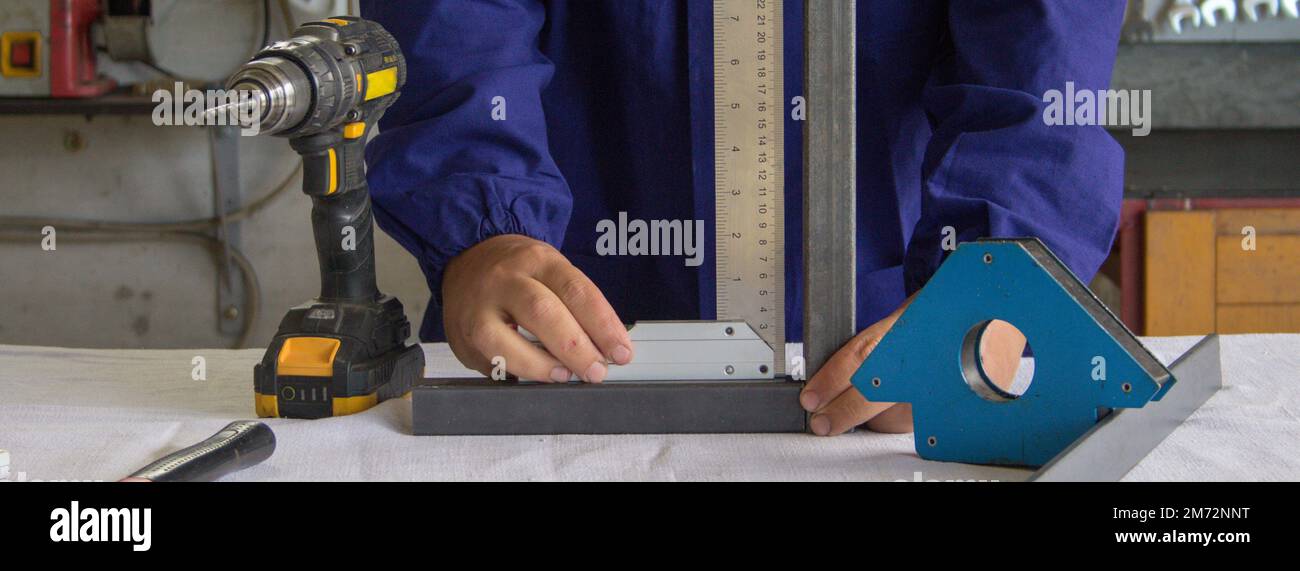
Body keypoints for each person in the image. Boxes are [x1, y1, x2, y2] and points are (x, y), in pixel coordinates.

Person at [358, 0, 1127, 436]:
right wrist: (482, 231)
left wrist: (992, 285)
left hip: (881, 365)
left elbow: (1041, 69)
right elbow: (453, 27)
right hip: (561, 352)